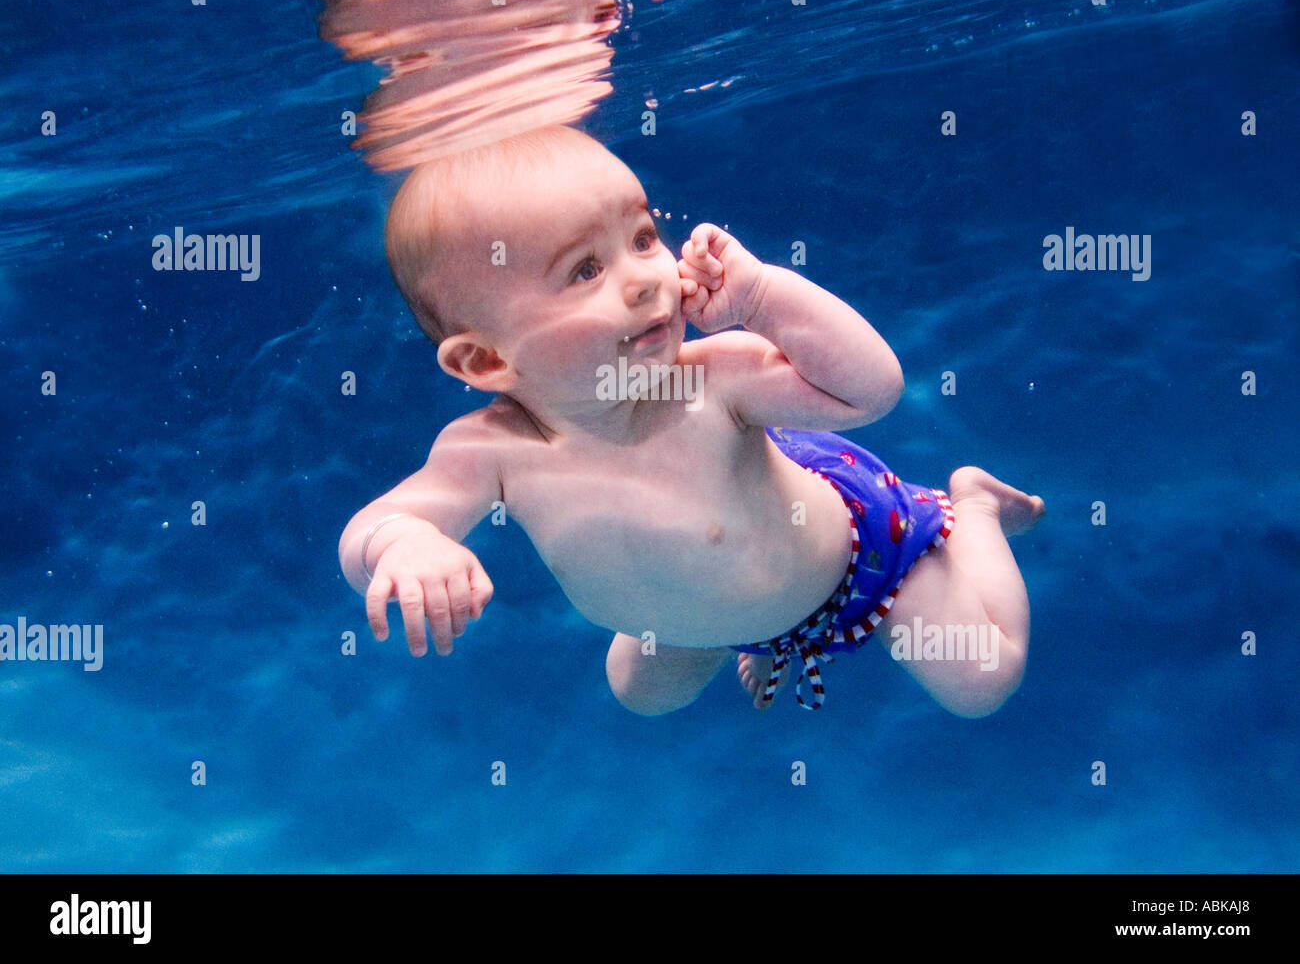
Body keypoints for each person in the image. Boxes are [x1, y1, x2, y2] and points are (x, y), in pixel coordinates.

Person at [338, 125, 1043, 715]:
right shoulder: (490, 450)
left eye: (643, 238)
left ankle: (973, 507)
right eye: (585, 270)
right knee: (637, 692)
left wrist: (762, 295)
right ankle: (742, 631)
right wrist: (404, 546)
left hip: (859, 556)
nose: (646, 275)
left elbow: (873, 391)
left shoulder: (714, 378)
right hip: (691, 617)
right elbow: (375, 524)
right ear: (486, 360)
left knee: (982, 679)